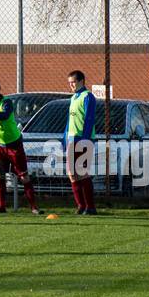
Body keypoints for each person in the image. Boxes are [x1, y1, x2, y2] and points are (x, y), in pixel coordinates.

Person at [0, 80, 41, 215]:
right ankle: (1, 206)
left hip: (14, 144)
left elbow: (4, 116)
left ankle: (34, 207)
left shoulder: (6, 102)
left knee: (24, 176)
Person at [66, 70, 98, 215]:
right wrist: (65, 138)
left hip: (83, 139)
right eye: (70, 83)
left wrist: (85, 139)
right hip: (71, 139)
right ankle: (81, 205)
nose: (71, 85)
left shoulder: (88, 97)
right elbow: (70, 121)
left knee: (82, 173)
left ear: (81, 81)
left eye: (73, 82)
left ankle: (90, 207)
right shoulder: (73, 98)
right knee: (72, 174)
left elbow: (89, 119)